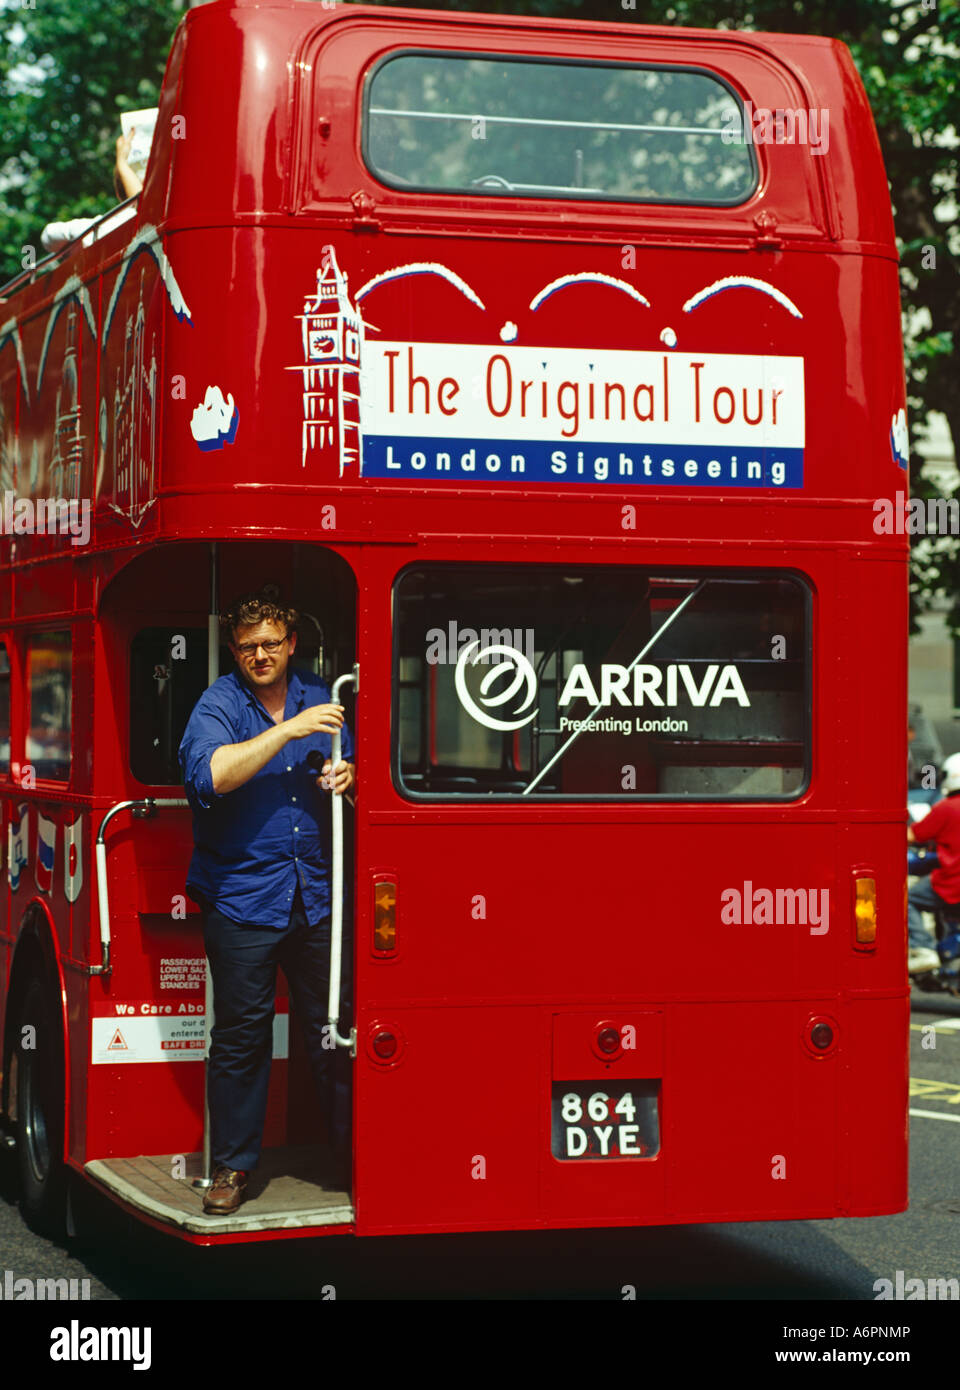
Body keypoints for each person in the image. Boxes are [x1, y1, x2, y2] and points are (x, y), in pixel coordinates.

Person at [178, 586, 355, 1215]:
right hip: (242, 898)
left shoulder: (326, 695)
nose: (261, 655)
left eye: (271, 644)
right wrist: (288, 734)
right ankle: (231, 1168)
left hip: (319, 895)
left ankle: (357, 1159)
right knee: (242, 1038)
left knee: (335, 1031)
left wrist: (350, 775)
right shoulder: (218, 702)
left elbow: (363, 766)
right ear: (233, 649)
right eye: (249, 646)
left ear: (292, 643)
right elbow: (211, 775)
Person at [40, 133, 143, 254]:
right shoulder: (121, 220)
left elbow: (50, 235)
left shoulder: (118, 222)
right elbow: (49, 235)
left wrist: (121, 163)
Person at [906, 752, 960, 973]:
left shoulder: (947, 807)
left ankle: (923, 949)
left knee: (906, 899)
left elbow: (911, 835)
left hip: (952, 881)